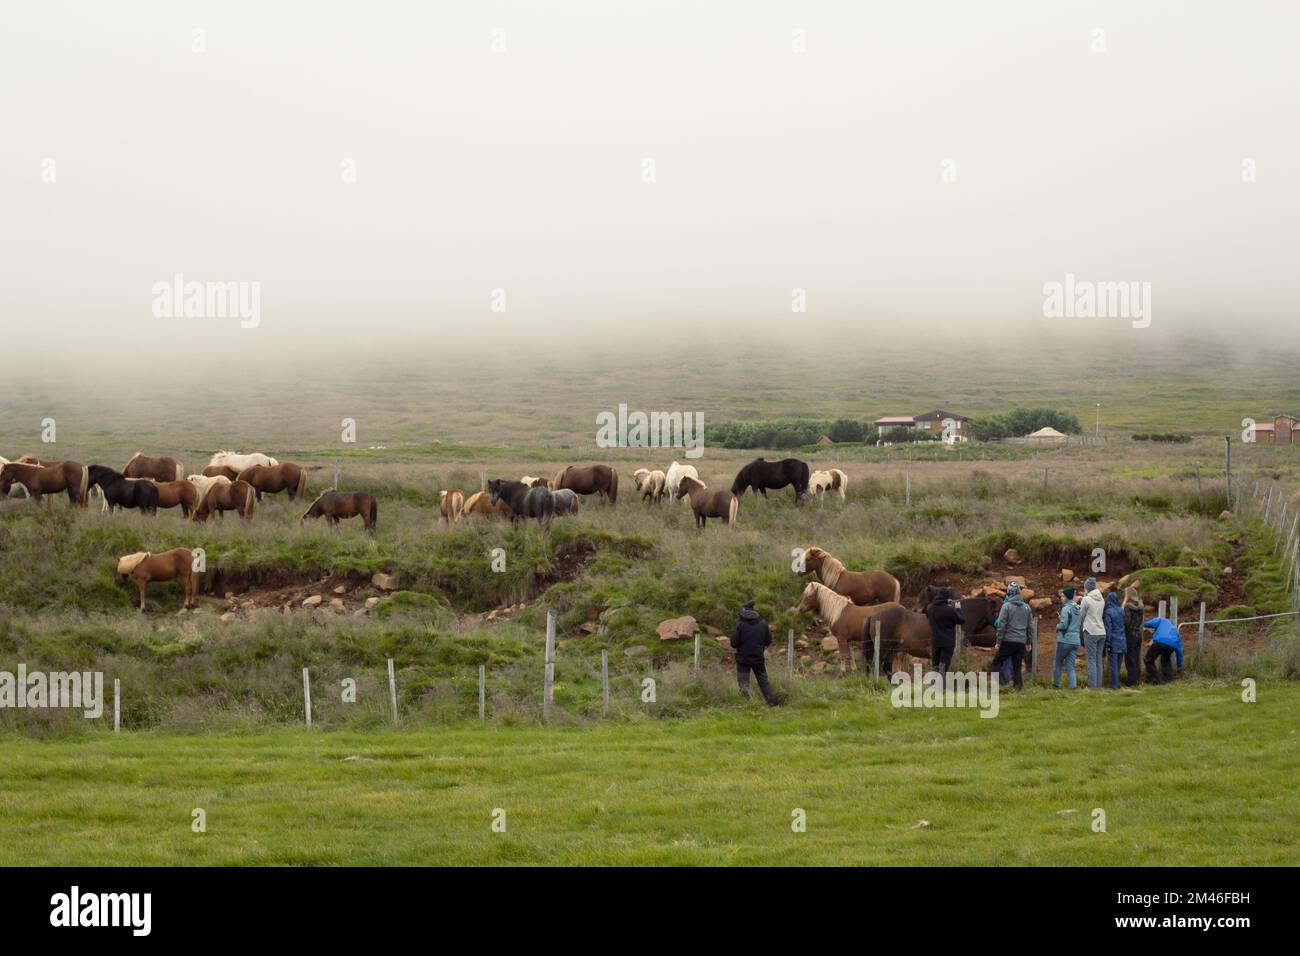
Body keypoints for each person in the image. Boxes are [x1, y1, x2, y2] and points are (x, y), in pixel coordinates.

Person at [730, 599, 779, 706]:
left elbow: (733, 643)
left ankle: (749, 705)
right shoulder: (763, 623)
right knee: (764, 683)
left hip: (743, 659)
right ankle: (774, 704)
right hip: (758, 658)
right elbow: (768, 641)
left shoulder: (740, 624)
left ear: (743, 612)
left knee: (744, 684)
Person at [990, 581, 1035, 689]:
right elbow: (1030, 627)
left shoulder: (1006, 607)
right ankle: (1018, 687)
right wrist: (1029, 642)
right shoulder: (1027, 608)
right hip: (1021, 642)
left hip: (1008, 640)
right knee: (1017, 666)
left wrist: (998, 642)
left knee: (996, 662)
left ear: (1009, 593)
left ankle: (998, 684)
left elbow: (1001, 625)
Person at [924, 586, 964, 677]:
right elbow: (961, 621)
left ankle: (934, 685)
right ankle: (941, 687)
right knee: (943, 665)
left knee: (935, 665)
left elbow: (927, 615)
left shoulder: (930, 608)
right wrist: (958, 608)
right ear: (947, 597)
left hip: (935, 641)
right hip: (947, 642)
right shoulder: (949, 609)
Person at [1079, 577, 1107, 689]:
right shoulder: (1102, 599)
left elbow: (1081, 615)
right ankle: (1099, 686)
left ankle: (1092, 687)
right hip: (1101, 631)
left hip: (1090, 631)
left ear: (1087, 588)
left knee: (1091, 660)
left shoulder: (1086, 599)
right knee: (1099, 660)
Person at [1053, 586, 1081, 688]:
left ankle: (1056, 684)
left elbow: (1064, 625)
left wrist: (1057, 626)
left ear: (1067, 597)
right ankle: (1073, 686)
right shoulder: (1078, 608)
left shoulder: (1066, 609)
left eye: (1063, 596)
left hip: (1065, 639)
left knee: (1058, 662)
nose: (1061, 597)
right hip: (1076, 640)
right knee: (1070, 665)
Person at [1142, 615, 1183, 684]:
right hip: (1172, 645)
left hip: (1160, 641)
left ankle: (1157, 680)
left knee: (1148, 660)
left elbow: (1148, 623)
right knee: (1165, 660)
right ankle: (1168, 680)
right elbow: (1179, 650)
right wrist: (1180, 665)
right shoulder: (1175, 630)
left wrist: (1143, 624)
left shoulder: (1161, 620)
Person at [1103, 590, 1127, 689]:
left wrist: (1107, 643)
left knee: (1113, 665)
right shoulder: (1121, 611)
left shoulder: (1108, 612)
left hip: (1113, 641)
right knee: (1118, 665)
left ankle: (1114, 685)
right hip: (1122, 641)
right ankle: (1117, 684)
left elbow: (1108, 629)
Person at [1122, 587, 1144, 686]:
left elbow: (1126, 622)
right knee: (1136, 658)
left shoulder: (1127, 606)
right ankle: (1137, 680)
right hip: (1138, 634)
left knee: (1130, 659)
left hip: (1130, 634)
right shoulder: (1140, 606)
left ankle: (1131, 682)